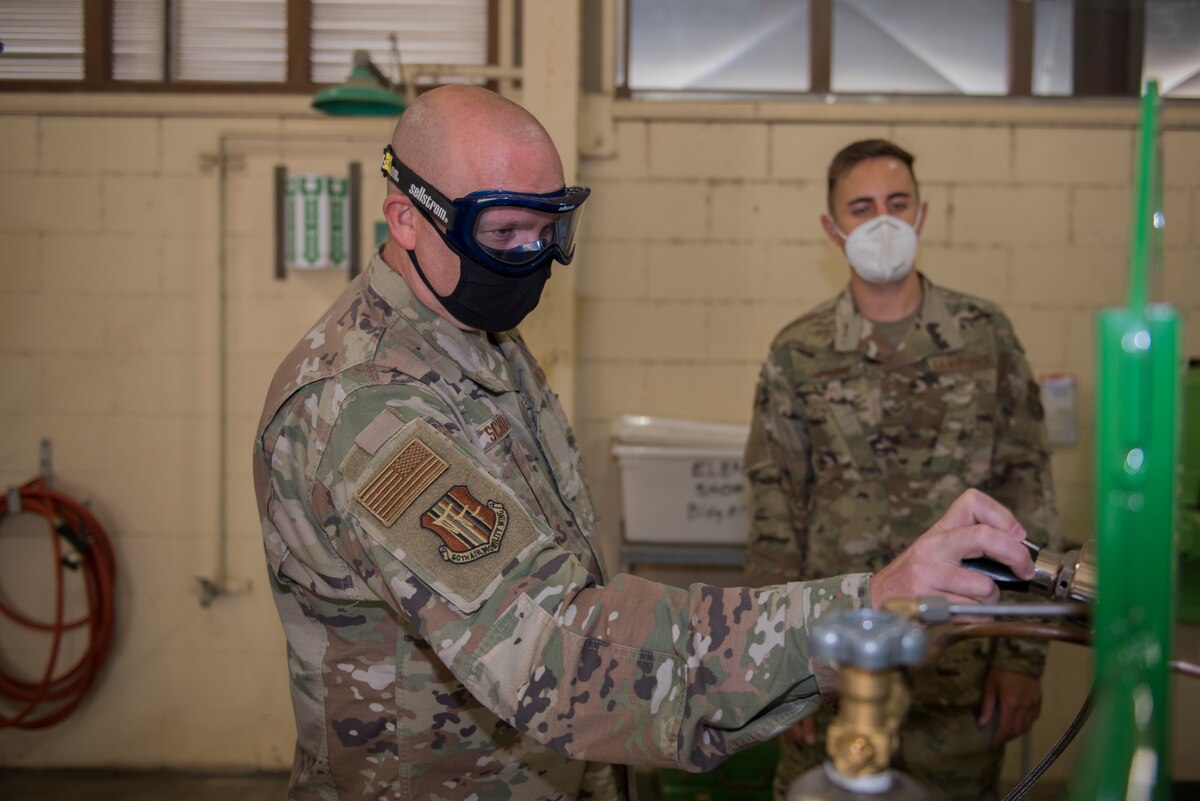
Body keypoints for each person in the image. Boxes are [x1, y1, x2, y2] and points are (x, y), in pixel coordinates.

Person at [253, 89, 1038, 801]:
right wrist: (861, 610)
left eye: (547, 227)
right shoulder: (368, 409)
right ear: (407, 219)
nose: (530, 254)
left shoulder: (478, 339)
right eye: (502, 231)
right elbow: (559, 655)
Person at [743, 138, 1061, 801]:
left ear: (921, 214)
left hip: (960, 678)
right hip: (831, 675)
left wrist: (1022, 659)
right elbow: (775, 519)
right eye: (861, 207)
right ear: (833, 229)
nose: (882, 221)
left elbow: (1027, 491)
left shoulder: (985, 335)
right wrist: (776, 672)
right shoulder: (798, 352)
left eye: (897, 203)